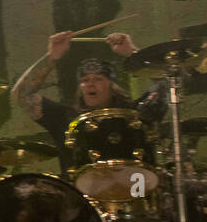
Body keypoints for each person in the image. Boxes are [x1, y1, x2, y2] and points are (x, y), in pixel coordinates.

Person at [10, 29, 164, 175]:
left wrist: (132, 53)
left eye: (98, 79)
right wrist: (52, 57)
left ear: (112, 87)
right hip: (81, 200)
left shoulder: (136, 114)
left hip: (138, 192)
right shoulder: (66, 118)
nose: (90, 84)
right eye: (85, 80)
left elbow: (169, 85)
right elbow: (21, 94)